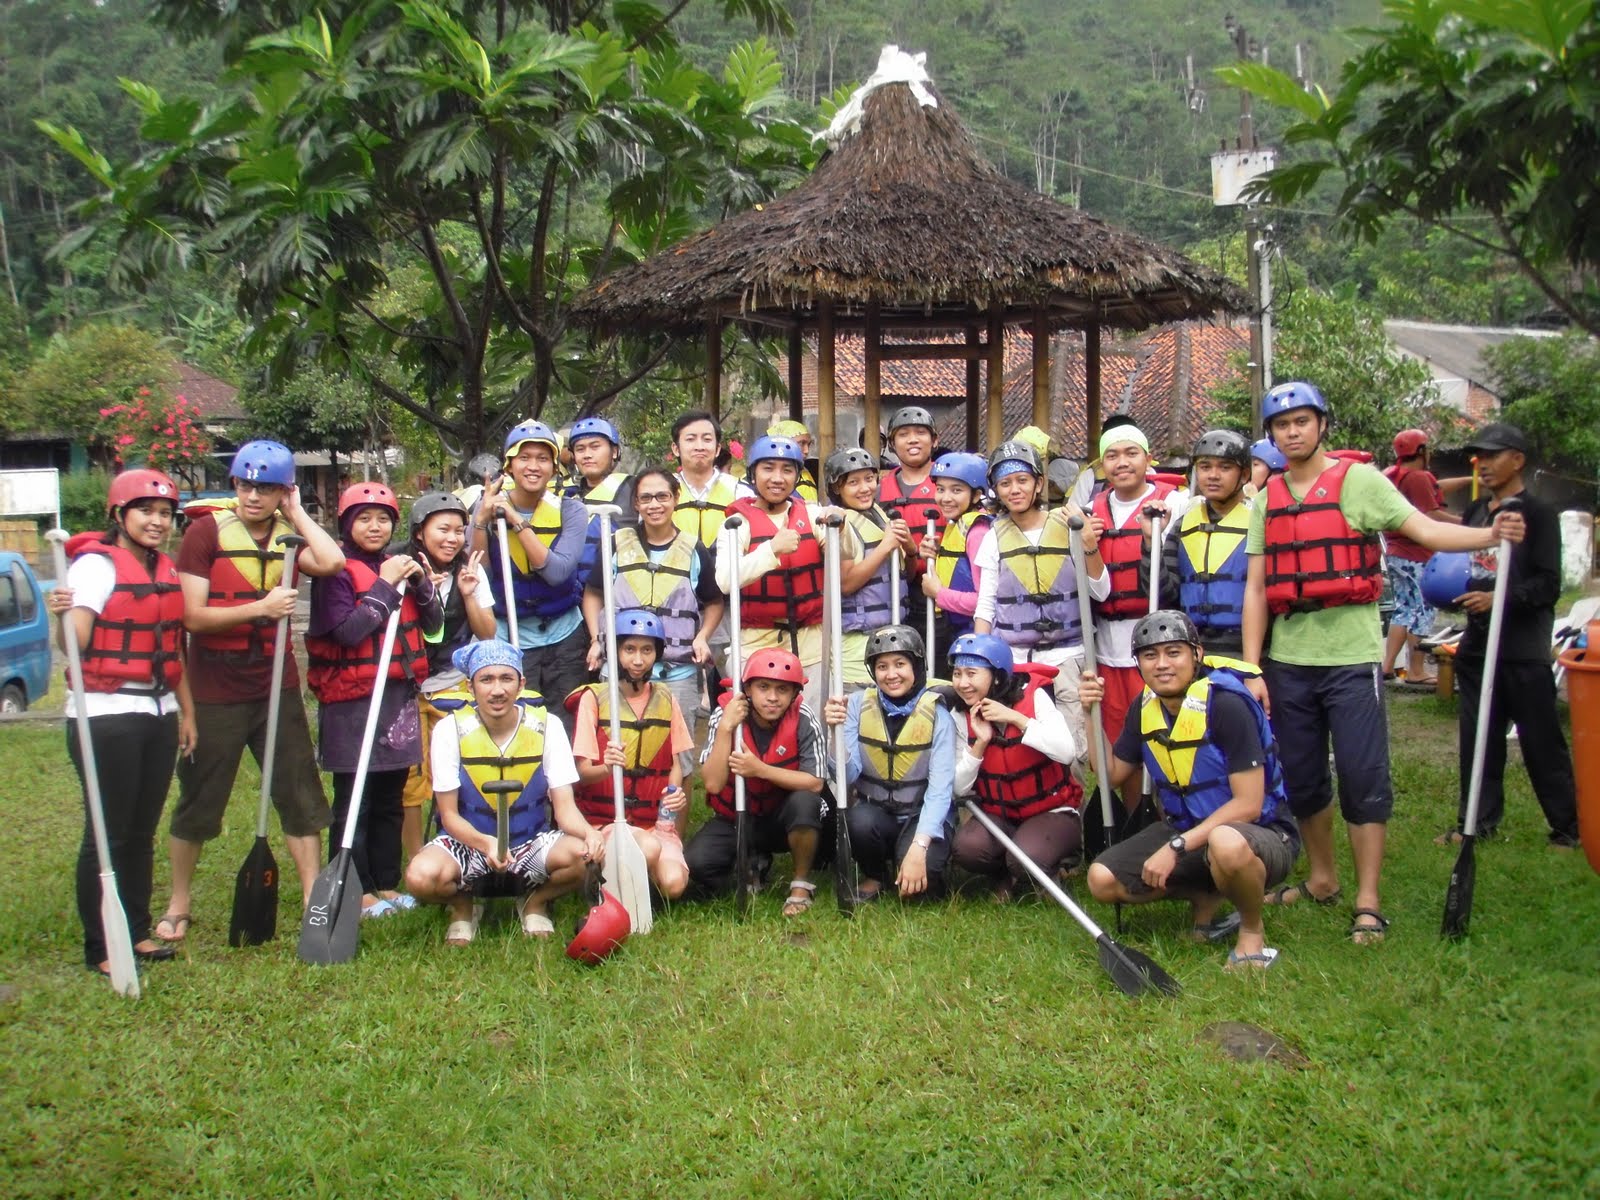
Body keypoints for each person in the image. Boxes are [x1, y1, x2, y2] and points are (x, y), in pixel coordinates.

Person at [1242, 381, 1525, 943]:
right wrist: (1253, 667)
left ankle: (1368, 898)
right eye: (1281, 425)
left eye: (1302, 421)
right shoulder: (1268, 497)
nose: (1292, 432)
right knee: (1302, 778)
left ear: (1322, 425)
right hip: (1290, 660)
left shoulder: (1359, 482)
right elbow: (1255, 589)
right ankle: (1322, 880)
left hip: (1350, 658)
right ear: (1271, 434)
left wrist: (1489, 534)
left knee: (1362, 774)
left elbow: (1424, 530)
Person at [157, 440, 345, 943]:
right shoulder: (204, 533)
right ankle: (179, 900)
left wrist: (299, 512)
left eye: (265, 488)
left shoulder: (289, 534)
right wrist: (260, 608)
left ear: (282, 491)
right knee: (199, 799)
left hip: (274, 689)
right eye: (245, 485)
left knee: (300, 794)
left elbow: (331, 562)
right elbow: (192, 616)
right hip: (215, 688)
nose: (252, 496)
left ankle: (312, 899)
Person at [1081, 610, 1300, 970]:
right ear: (1138, 663)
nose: (1162, 664)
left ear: (1196, 654)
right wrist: (1091, 713)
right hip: (1189, 830)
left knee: (1226, 844)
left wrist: (1175, 847)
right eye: (1150, 655)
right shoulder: (1145, 707)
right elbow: (1111, 775)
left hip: (1261, 834)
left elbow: (1248, 804)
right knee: (1101, 879)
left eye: (1173, 652)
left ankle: (1251, 932)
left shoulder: (1226, 704)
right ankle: (1206, 893)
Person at [47, 469, 198, 975]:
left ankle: (133, 931)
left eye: (164, 514)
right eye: (146, 512)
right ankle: (102, 945)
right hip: (106, 714)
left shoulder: (165, 568)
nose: (158, 523)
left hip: (157, 711)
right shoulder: (94, 567)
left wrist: (187, 712)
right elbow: (74, 641)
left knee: (140, 831)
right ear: (118, 515)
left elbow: (171, 644)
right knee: (108, 832)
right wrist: (60, 614)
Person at [404, 639, 602, 944]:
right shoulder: (448, 730)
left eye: (506, 678)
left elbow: (564, 808)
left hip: (530, 841)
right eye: (487, 679)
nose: (497, 690)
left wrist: (590, 833)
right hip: (469, 843)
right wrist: (485, 843)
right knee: (419, 876)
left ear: (521, 684)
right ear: (470, 687)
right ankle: (463, 907)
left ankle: (535, 902)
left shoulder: (548, 726)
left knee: (583, 856)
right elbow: (449, 815)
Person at [1438, 422, 1579, 849]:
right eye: (1479, 456)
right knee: (1479, 739)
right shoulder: (1478, 514)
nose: (1484, 465)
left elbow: (1547, 584)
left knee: (1541, 741)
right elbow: (1470, 569)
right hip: (1478, 645)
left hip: (1521, 648)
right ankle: (1476, 823)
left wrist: (1500, 600)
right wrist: (1462, 596)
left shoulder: (1537, 514)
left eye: (1494, 455)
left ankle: (1570, 828)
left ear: (1517, 459)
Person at [305, 482, 443, 918]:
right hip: (353, 700)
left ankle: (385, 883)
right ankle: (354, 884)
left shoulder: (401, 565)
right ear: (346, 525)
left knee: (390, 794)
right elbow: (347, 632)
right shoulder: (336, 574)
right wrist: (384, 586)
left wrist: (421, 585)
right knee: (356, 797)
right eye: (363, 518)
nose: (375, 526)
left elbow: (435, 627)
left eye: (383, 519)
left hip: (397, 696)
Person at [583, 466, 724, 775]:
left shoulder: (693, 548)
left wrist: (701, 637)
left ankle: (672, 824)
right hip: (619, 667)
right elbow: (593, 593)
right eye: (645, 498)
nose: (654, 505)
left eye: (662, 496)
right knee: (621, 751)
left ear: (675, 499)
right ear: (636, 503)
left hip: (676, 670)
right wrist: (597, 639)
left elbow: (713, 602)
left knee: (679, 759)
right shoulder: (615, 544)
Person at [973, 440, 1108, 752]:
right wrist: (983, 659)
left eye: (1022, 480)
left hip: (1067, 656)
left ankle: (1070, 800)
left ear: (1039, 484)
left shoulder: (1068, 526)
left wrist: (1088, 541)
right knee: (1021, 745)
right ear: (996, 489)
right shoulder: (994, 536)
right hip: (1015, 658)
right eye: (1005, 483)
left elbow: (1101, 590)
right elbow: (985, 605)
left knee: (1073, 748)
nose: (1014, 490)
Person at [469, 419, 591, 732]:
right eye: (524, 458)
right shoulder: (486, 508)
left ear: (554, 466)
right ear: (509, 467)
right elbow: (479, 568)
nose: (533, 466)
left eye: (542, 459)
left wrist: (517, 523)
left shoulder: (571, 510)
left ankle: (565, 782)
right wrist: (481, 521)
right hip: (510, 634)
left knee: (565, 723)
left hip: (564, 633)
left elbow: (558, 572)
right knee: (520, 722)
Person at [685, 648, 827, 916]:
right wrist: (727, 727)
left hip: (781, 818)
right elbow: (713, 785)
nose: (772, 697)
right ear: (748, 688)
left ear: (795, 693)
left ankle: (800, 884)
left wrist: (760, 769)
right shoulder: (724, 716)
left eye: (782, 689)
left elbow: (815, 783)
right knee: (697, 863)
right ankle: (752, 865)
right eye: (763, 687)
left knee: (807, 802)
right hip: (737, 818)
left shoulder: (805, 718)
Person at [824, 625, 958, 903]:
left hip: (922, 814)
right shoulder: (857, 706)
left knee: (920, 892)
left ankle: (915, 859)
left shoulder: (938, 712)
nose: (891, 674)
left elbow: (940, 789)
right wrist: (835, 734)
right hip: (877, 814)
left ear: (916, 666)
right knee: (858, 821)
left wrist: (920, 846)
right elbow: (846, 776)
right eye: (882, 666)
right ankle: (877, 874)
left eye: (900, 664)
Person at [567, 610, 695, 900]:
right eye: (629, 650)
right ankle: (612, 881)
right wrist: (607, 767)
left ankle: (634, 879)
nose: (638, 661)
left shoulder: (665, 698)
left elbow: (675, 765)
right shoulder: (594, 699)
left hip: (653, 821)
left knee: (674, 884)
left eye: (647, 650)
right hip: (605, 822)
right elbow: (582, 774)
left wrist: (672, 793)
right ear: (615, 652)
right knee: (647, 849)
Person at [398, 490, 498, 862]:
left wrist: (468, 594)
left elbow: (487, 634)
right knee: (410, 780)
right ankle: (415, 860)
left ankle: (464, 844)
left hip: (452, 681)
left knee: (467, 765)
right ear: (420, 532)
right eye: (443, 529)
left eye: (459, 530)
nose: (453, 538)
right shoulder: (399, 566)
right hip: (404, 689)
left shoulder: (469, 570)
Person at [946, 633, 1083, 901]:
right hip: (999, 815)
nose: (962, 683)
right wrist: (980, 744)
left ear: (997, 676)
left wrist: (1017, 719)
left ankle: (1048, 867)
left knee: (1027, 857)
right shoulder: (960, 715)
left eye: (972, 674)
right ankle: (1005, 874)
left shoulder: (1036, 698)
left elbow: (1065, 752)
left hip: (1051, 811)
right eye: (957, 673)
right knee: (967, 848)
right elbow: (958, 788)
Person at [715, 434, 829, 713]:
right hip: (755, 644)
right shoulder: (736, 523)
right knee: (754, 725)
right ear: (753, 474)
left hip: (809, 644)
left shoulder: (814, 514)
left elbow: (845, 553)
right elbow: (726, 580)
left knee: (808, 724)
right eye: (768, 468)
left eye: (787, 470)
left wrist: (841, 527)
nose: (777, 478)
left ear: (797, 476)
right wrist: (772, 550)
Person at [1089, 422, 1184, 752]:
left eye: (1131, 453)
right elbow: (1093, 590)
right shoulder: (1092, 511)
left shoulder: (1173, 504)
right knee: (1124, 742)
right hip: (1107, 646)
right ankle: (1132, 806)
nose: (1122, 462)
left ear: (1148, 459)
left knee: (1165, 738)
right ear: (1103, 465)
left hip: (1156, 640)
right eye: (1112, 455)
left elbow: (1173, 584)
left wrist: (1150, 538)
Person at [1151, 430, 1253, 658]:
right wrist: (1150, 542)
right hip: (1194, 651)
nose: (1213, 475)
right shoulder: (1183, 525)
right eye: (1205, 467)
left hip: (1243, 650)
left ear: (1244, 475)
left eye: (1225, 467)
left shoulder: (1259, 523)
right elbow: (1164, 595)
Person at [825, 447, 912, 689]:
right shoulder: (839, 523)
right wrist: (885, 546)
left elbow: (906, 575)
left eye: (869, 479)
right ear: (836, 488)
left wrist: (911, 549)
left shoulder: (880, 514)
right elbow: (846, 584)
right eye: (853, 482)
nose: (865, 488)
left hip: (892, 634)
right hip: (857, 642)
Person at [1380, 429, 1460, 685]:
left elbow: (1436, 487)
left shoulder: (1392, 475)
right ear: (1422, 451)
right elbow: (1433, 514)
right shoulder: (1418, 477)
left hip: (1395, 552)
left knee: (1403, 610)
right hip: (1416, 554)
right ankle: (1416, 670)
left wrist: (1470, 480)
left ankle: (1387, 665)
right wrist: (1466, 523)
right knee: (1422, 610)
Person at [919, 451, 992, 664]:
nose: (945, 498)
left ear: (977, 495)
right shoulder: (957, 525)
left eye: (956, 490)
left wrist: (938, 593)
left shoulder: (978, 532)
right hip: (956, 630)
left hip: (974, 634)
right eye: (940, 489)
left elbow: (984, 601)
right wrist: (936, 554)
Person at [671, 409, 752, 548]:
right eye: (690, 439)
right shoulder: (663, 490)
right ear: (676, 449)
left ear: (718, 449)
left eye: (707, 439)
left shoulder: (740, 491)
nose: (699, 447)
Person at [767, 419, 819, 501]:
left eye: (808, 444)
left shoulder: (805, 472)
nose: (807, 451)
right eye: (801, 443)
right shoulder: (755, 479)